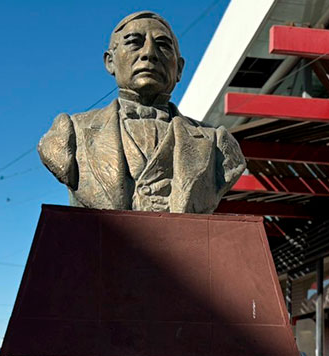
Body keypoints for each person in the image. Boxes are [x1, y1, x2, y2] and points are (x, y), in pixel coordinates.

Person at [38, 11, 245, 214]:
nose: (149, 53)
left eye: (163, 45)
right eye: (134, 42)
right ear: (110, 61)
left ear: (179, 68)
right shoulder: (71, 133)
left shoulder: (218, 143)